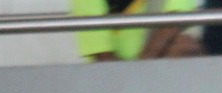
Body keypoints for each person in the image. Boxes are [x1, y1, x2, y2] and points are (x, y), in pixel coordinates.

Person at [71, 0, 204, 62]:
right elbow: (102, 55)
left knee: (185, 46)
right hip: (112, 79)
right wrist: (137, 76)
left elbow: (174, 23)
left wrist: (141, 70)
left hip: (158, 63)